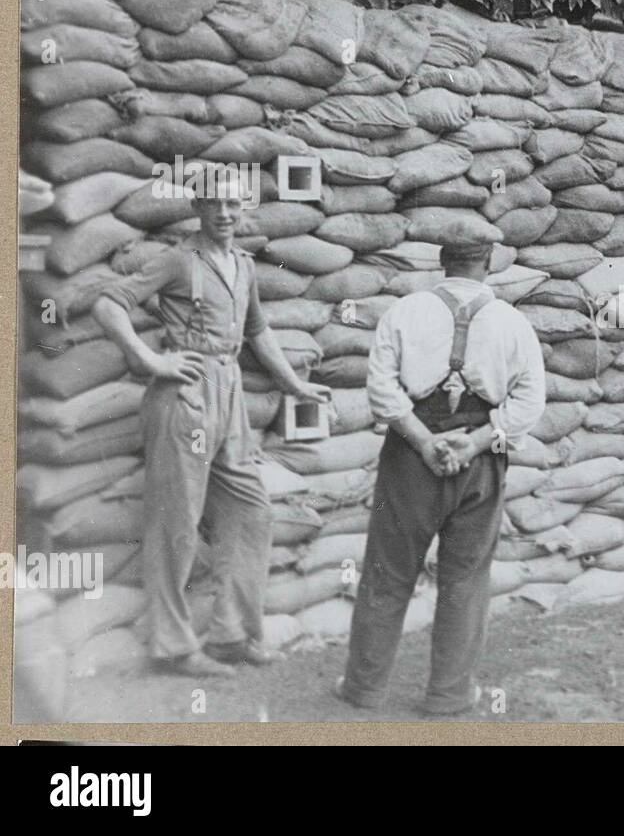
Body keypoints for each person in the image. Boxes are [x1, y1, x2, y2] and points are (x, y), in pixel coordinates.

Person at [92, 176, 331, 677]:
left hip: (232, 396)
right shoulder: (178, 259)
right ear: (198, 207)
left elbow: (258, 333)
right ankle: (174, 647)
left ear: (243, 209)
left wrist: (295, 386)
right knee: (177, 521)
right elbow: (108, 303)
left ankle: (232, 635)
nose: (224, 212)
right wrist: (150, 360)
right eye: (213, 203)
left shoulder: (243, 264)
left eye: (232, 203)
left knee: (252, 512)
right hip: (185, 398)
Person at [336, 238, 546, 715]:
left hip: (411, 456)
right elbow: (530, 404)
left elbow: (381, 390)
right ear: (489, 265)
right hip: (480, 459)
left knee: (388, 573)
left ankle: (364, 688)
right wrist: (473, 443)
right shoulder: (514, 323)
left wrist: (426, 442)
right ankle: (448, 695)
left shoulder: (404, 312)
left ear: (442, 262)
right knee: (466, 578)